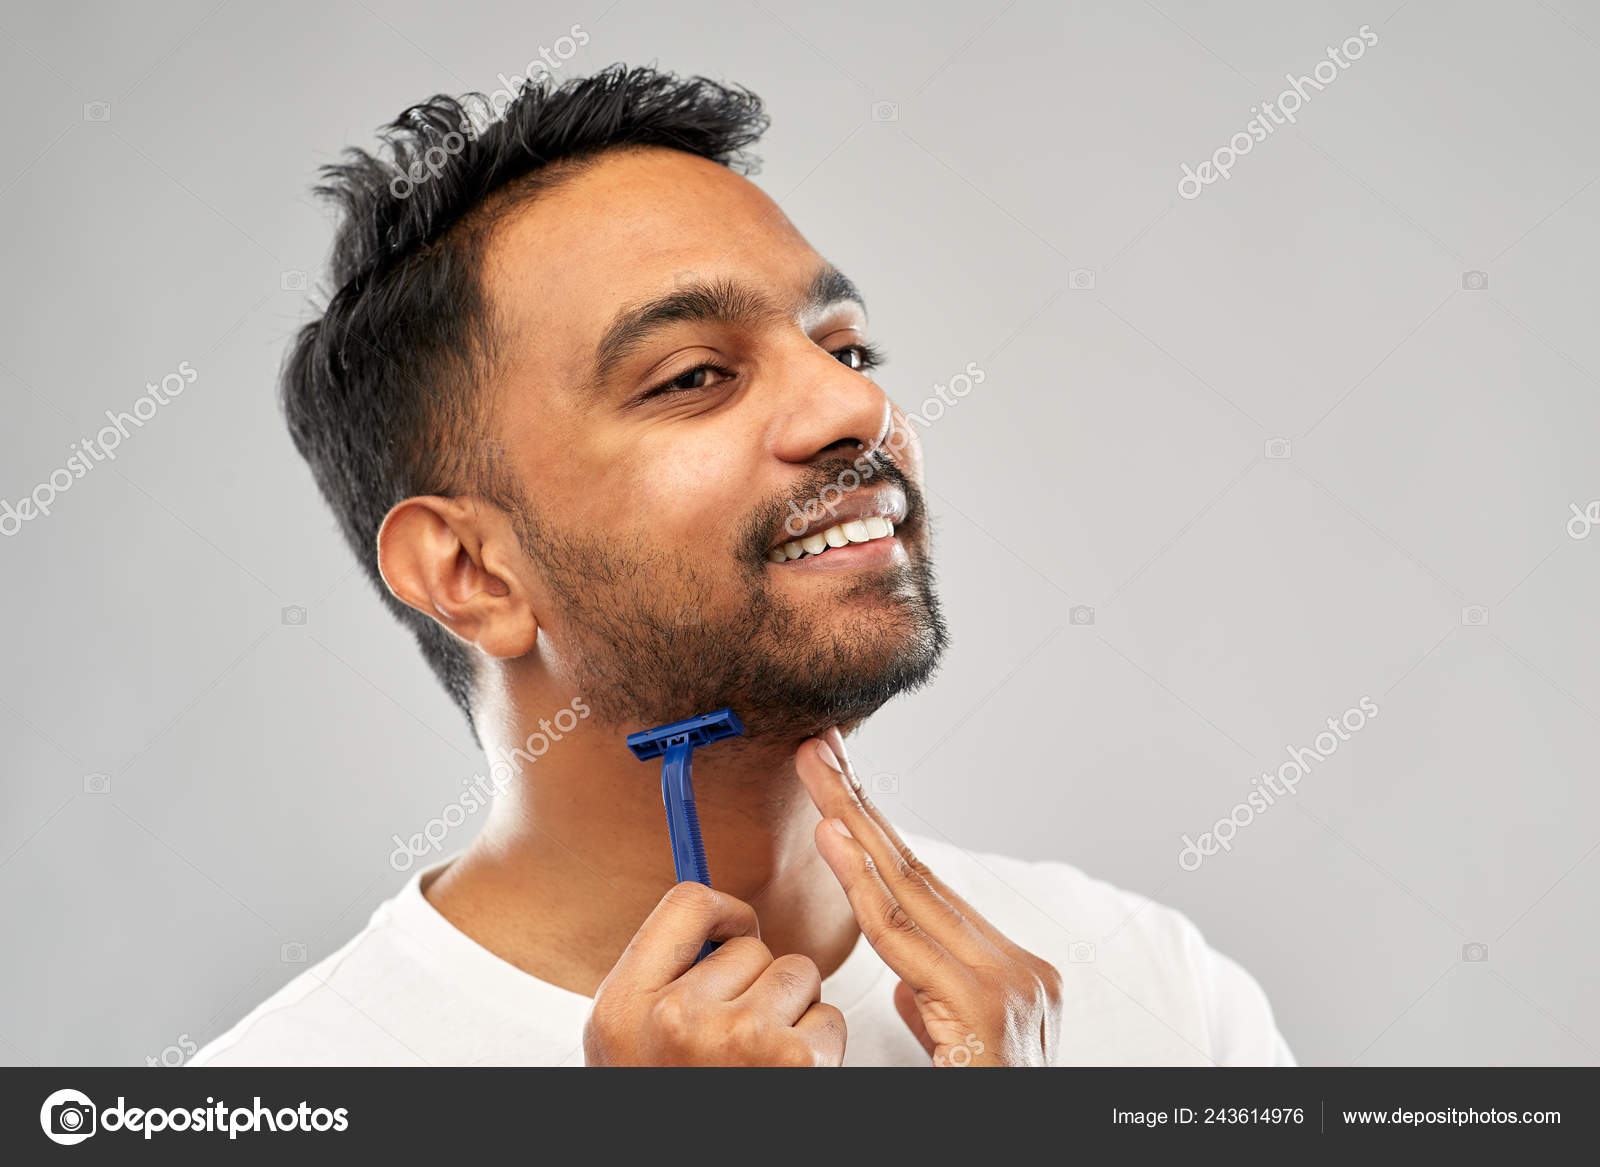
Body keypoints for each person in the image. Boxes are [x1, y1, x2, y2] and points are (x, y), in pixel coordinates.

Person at [193, 65, 1292, 1067]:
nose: (856, 405)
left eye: (844, 346)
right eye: (691, 376)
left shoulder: (1150, 990)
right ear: (471, 572)